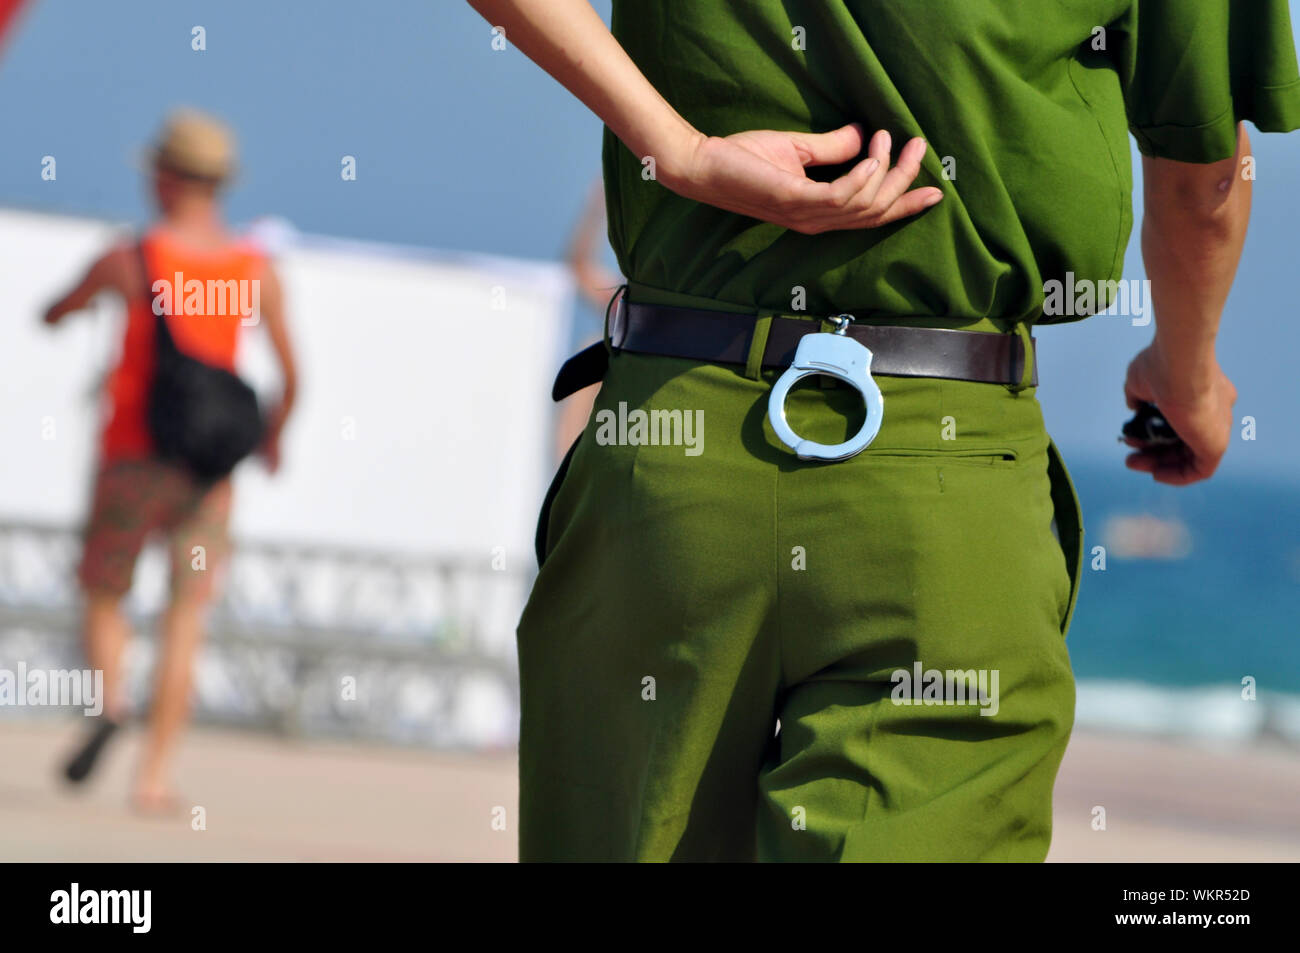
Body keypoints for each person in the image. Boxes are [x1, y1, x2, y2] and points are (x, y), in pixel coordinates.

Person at [469, 0, 1300, 861]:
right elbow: (1202, 176)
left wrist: (678, 149)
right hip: (942, 482)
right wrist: (1187, 372)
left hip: (670, 453)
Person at [43, 108, 298, 812]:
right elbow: (293, 375)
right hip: (210, 471)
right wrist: (273, 436)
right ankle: (153, 778)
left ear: (164, 178)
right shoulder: (255, 270)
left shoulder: (131, 259)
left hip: (134, 454)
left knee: (105, 590)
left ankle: (111, 700)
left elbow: (58, 308)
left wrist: (65, 312)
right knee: (186, 618)